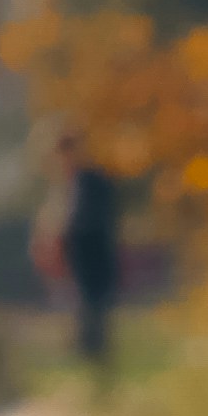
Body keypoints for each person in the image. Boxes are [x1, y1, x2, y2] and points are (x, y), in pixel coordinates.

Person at [52, 142, 131, 366]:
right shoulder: (76, 182)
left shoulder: (91, 180)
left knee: (95, 302)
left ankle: (95, 352)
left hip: (93, 251)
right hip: (86, 253)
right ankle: (90, 351)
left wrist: (68, 235)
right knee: (88, 302)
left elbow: (89, 221)